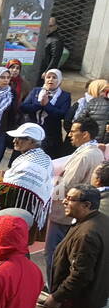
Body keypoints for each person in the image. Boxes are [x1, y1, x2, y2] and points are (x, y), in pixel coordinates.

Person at [46, 116, 103, 277]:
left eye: (73, 131)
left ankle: (53, 287)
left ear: (85, 134)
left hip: (63, 213)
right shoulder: (95, 152)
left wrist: (50, 189)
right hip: (76, 211)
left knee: (53, 252)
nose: (69, 134)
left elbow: (68, 185)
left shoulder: (85, 155)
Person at [0, 122, 53, 239]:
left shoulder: (29, 165)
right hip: (27, 219)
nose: (14, 141)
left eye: (19, 138)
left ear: (31, 141)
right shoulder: (45, 159)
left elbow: (4, 192)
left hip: (16, 220)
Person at [21, 68, 70, 157]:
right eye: (48, 77)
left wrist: (47, 105)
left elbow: (62, 114)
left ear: (59, 81)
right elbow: (24, 107)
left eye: (54, 77)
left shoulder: (65, 96)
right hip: (32, 131)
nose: (50, 79)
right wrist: (40, 104)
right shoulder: (36, 91)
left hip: (50, 134)